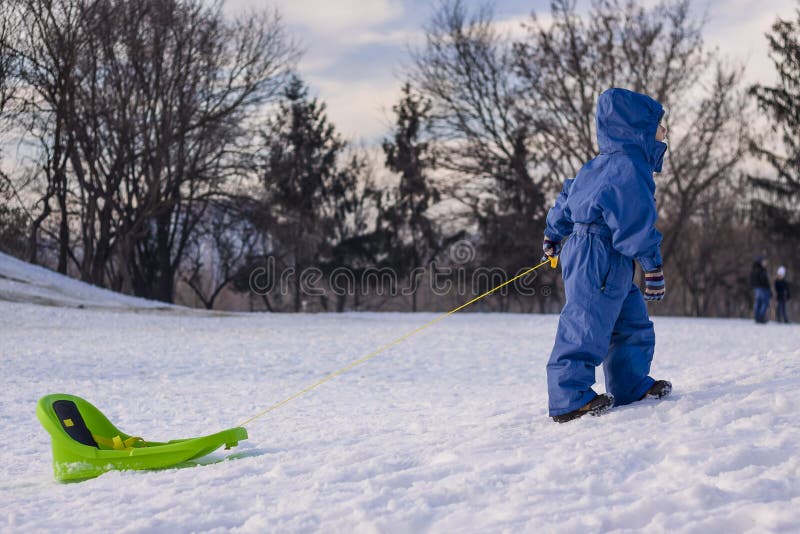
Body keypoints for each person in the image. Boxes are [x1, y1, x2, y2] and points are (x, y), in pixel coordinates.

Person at [542, 88, 672, 424]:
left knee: (631, 322)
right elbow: (635, 221)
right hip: (596, 254)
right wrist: (651, 265)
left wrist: (553, 233)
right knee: (586, 322)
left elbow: (568, 195)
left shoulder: (597, 166)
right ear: (638, 129)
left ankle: (628, 383)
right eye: (660, 126)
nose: (665, 132)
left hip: (607, 257)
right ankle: (569, 396)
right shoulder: (629, 168)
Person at [750, 257, 771, 324]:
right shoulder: (762, 270)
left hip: (756, 289)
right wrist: (767, 287)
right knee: (764, 303)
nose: (765, 263)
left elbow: (751, 280)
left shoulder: (753, 270)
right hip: (763, 288)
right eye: (764, 262)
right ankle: (761, 317)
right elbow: (764, 280)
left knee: (758, 303)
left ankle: (757, 317)